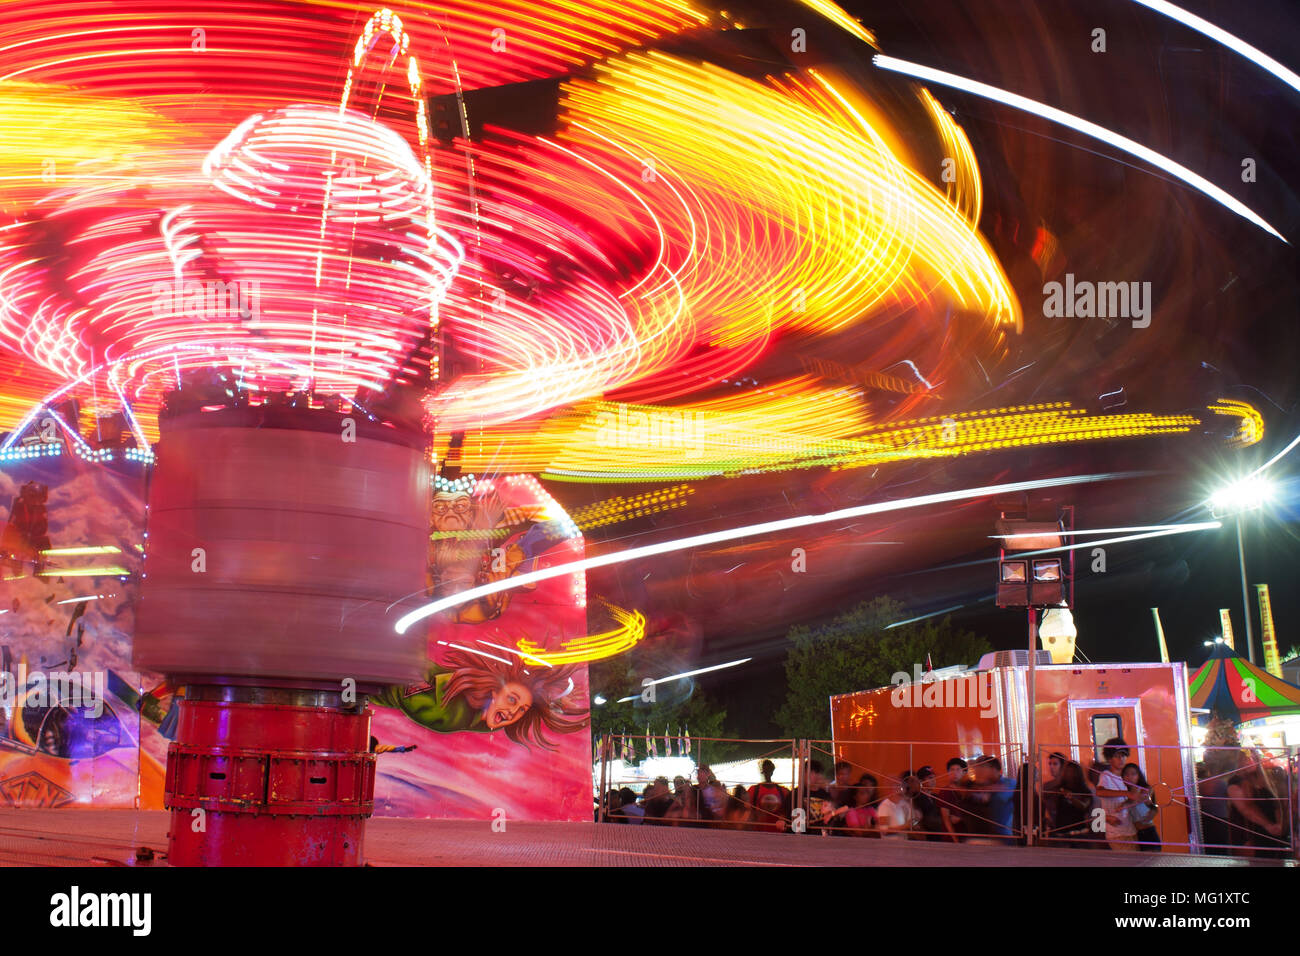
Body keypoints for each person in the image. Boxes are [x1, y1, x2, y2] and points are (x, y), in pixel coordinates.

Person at [1227, 759, 1284, 857]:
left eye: (1252, 758)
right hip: (1253, 832)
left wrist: (1279, 824)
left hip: (1272, 832)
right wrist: (1268, 825)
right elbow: (1245, 808)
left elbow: (1276, 803)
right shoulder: (1236, 782)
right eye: (1246, 758)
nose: (1249, 761)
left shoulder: (1264, 779)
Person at [1095, 738, 1137, 850]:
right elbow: (1100, 791)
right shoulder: (1106, 775)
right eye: (1117, 756)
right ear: (1109, 759)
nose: (1121, 759)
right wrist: (1126, 793)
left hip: (1131, 830)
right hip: (1117, 833)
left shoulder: (1127, 776)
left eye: (1123, 755)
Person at [970, 755, 1017, 842]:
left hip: (1007, 835)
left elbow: (1002, 795)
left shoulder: (1010, 783)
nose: (980, 772)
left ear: (993, 769)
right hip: (988, 836)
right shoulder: (980, 787)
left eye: (983, 768)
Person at [1122, 763, 1160, 851]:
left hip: (1149, 832)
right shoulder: (1123, 791)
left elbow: (1144, 799)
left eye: (1133, 774)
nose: (1130, 777)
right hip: (1135, 834)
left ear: (1139, 775)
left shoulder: (1145, 789)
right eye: (1126, 774)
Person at [748, 759, 791, 833]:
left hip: (778, 833)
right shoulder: (753, 790)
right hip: (759, 833)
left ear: (772, 772)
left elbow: (788, 811)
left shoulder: (783, 791)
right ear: (763, 772)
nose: (767, 773)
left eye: (769, 771)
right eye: (766, 771)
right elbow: (747, 810)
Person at [935, 757, 970, 842]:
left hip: (968, 834)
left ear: (964, 772)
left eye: (958, 770)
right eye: (952, 770)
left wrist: (961, 818)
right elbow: (946, 819)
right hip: (952, 837)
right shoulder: (945, 792)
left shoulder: (969, 790)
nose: (955, 773)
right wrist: (955, 839)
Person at [877, 773, 920, 839]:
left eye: (902, 786)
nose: (903, 788)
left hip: (904, 844)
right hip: (890, 846)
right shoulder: (884, 806)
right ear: (891, 788)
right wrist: (905, 826)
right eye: (898, 785)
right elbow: (884, 831)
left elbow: (912, 823)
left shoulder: (905, 804)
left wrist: (915, 821)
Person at [913, 766, 945, 840]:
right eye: (930, 778)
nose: (934, 781)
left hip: (939, 836)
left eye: (934, 778)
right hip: (927, 838)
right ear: (921, 781)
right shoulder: (917, 798)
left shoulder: (935, 797)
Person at [804, 760, 835, 835]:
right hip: (801, 835)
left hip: (821, 835)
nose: (815, 776)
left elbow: (832, 814)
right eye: (811, 772)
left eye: (817, 773)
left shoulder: (826, 795)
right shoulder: (796, 793)